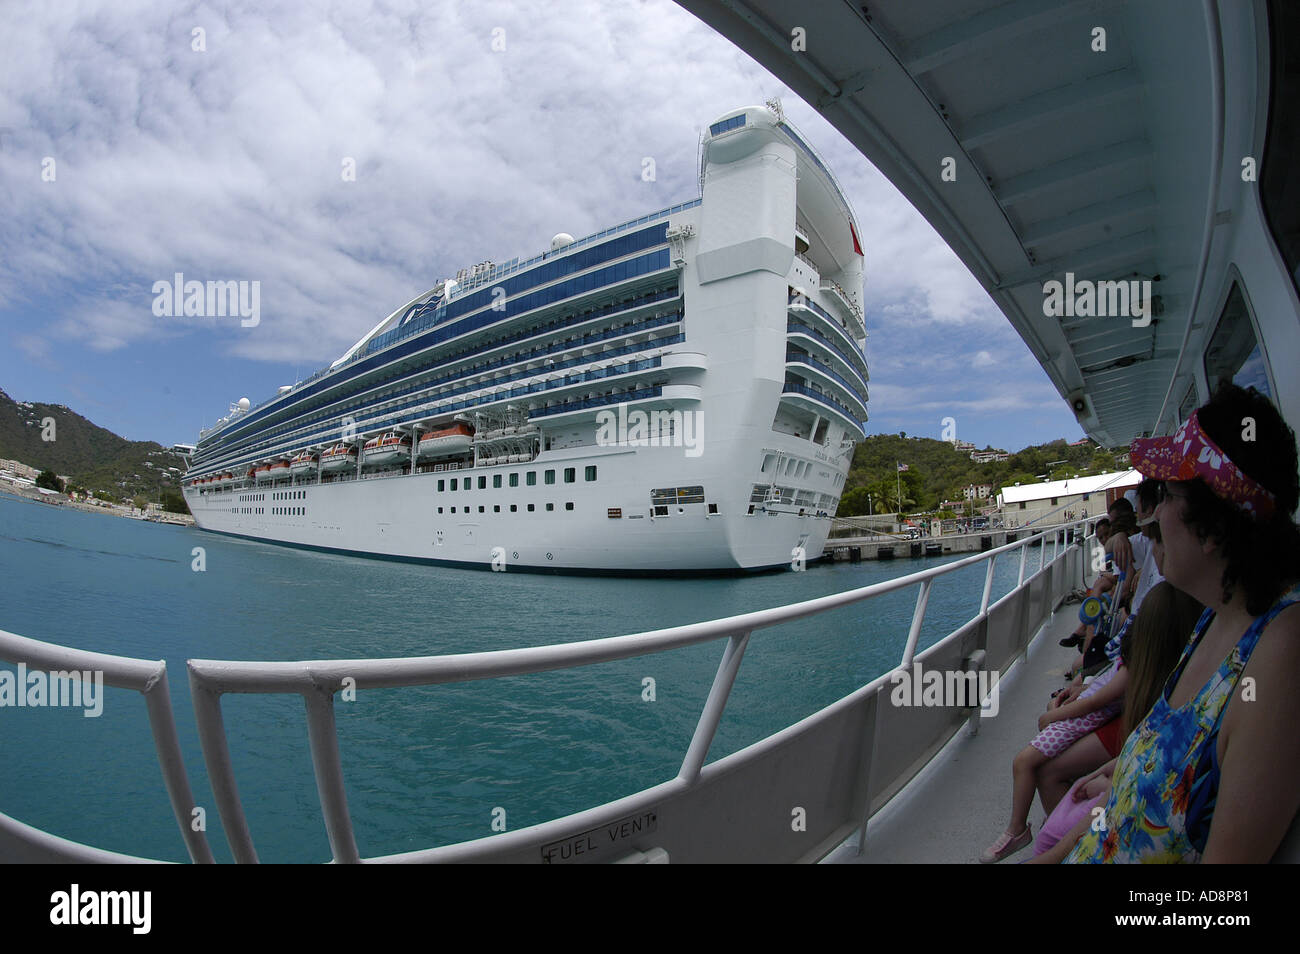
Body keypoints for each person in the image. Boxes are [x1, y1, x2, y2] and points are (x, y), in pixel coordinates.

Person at [1067, 385, 1300, 863]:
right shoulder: (1216, 613)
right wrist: (1123, 770)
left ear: (1212, 527)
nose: (1153, 517)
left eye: (1166, 496)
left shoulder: (1281, 655)